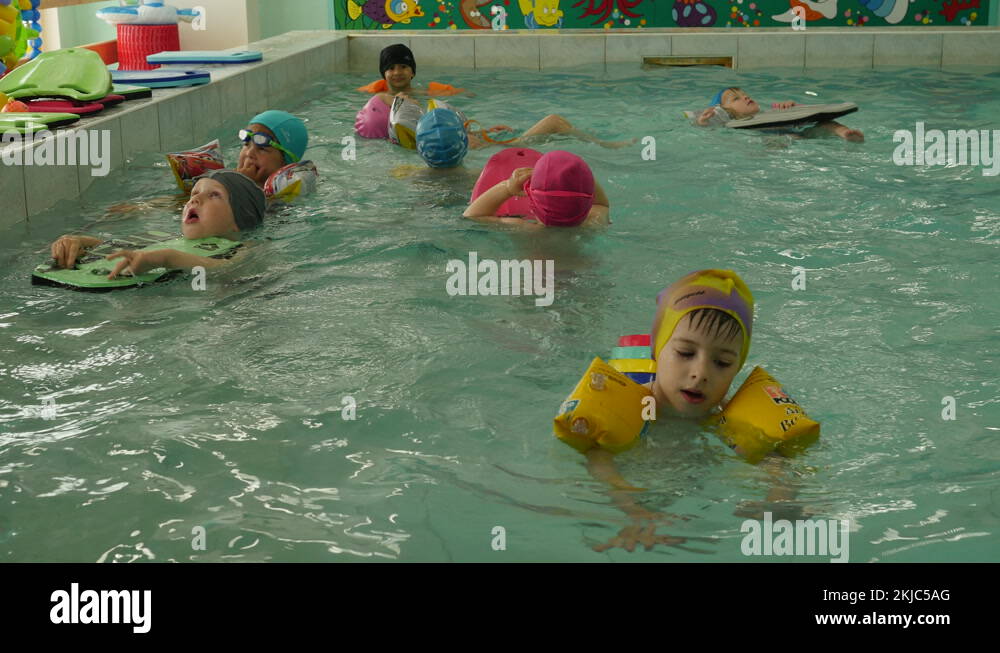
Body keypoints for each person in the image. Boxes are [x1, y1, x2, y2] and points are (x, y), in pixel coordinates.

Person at [584, 270, 800, 552]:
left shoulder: (723, 417)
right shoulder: (632, 402)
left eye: (722, 362)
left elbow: (773, 460)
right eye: (685, 353)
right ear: (656, 351)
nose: (700, 374)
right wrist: (630, 505)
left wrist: (780, 495)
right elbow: (596, 455)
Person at [49, 170, 265, 279]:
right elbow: (133, 254)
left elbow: (225, 269)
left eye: (214, 195)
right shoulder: (170, 241)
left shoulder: (249, 248)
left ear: (239, 218)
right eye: (194, 194)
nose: (194, 200)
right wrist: (86, 245)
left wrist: (166, 258)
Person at [464, 149, 609, 228]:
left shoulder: (524, 230)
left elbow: (473, 216)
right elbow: (601, 203)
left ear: (533, 204)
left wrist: (508, 187)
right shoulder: (594, 223)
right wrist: (579, 175)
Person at [696, 87, 864, 142]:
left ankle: (845, 133)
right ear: (725, 111)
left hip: (800, 133)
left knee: (827, 123)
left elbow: (811, 115)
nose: (745, 97)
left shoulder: (773, 111)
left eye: (745, 94)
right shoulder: (732, 124)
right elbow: (711, 129)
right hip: (775, 140)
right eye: (736, 99)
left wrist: (791, 107)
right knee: (776, 142)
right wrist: (703, 121)